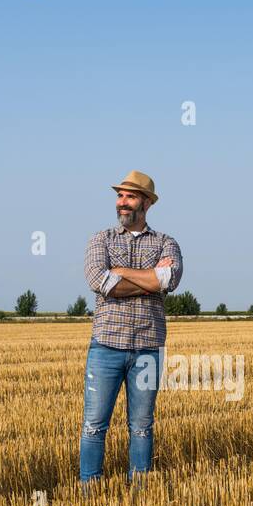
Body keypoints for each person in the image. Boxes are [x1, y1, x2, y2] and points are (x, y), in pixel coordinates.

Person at [79, 170, 184, 483]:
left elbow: (170, 279)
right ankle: (90, 489)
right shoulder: (101, 239)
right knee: (94, 425)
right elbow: (100, 281)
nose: (122, 203)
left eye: (130, 197)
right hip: (106, 347)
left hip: (147, 349)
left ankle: (140, 489)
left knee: (141, 426)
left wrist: (121, 272)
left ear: (147, 203)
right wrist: (150, 280)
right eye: (120, 196)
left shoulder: (167, 242)